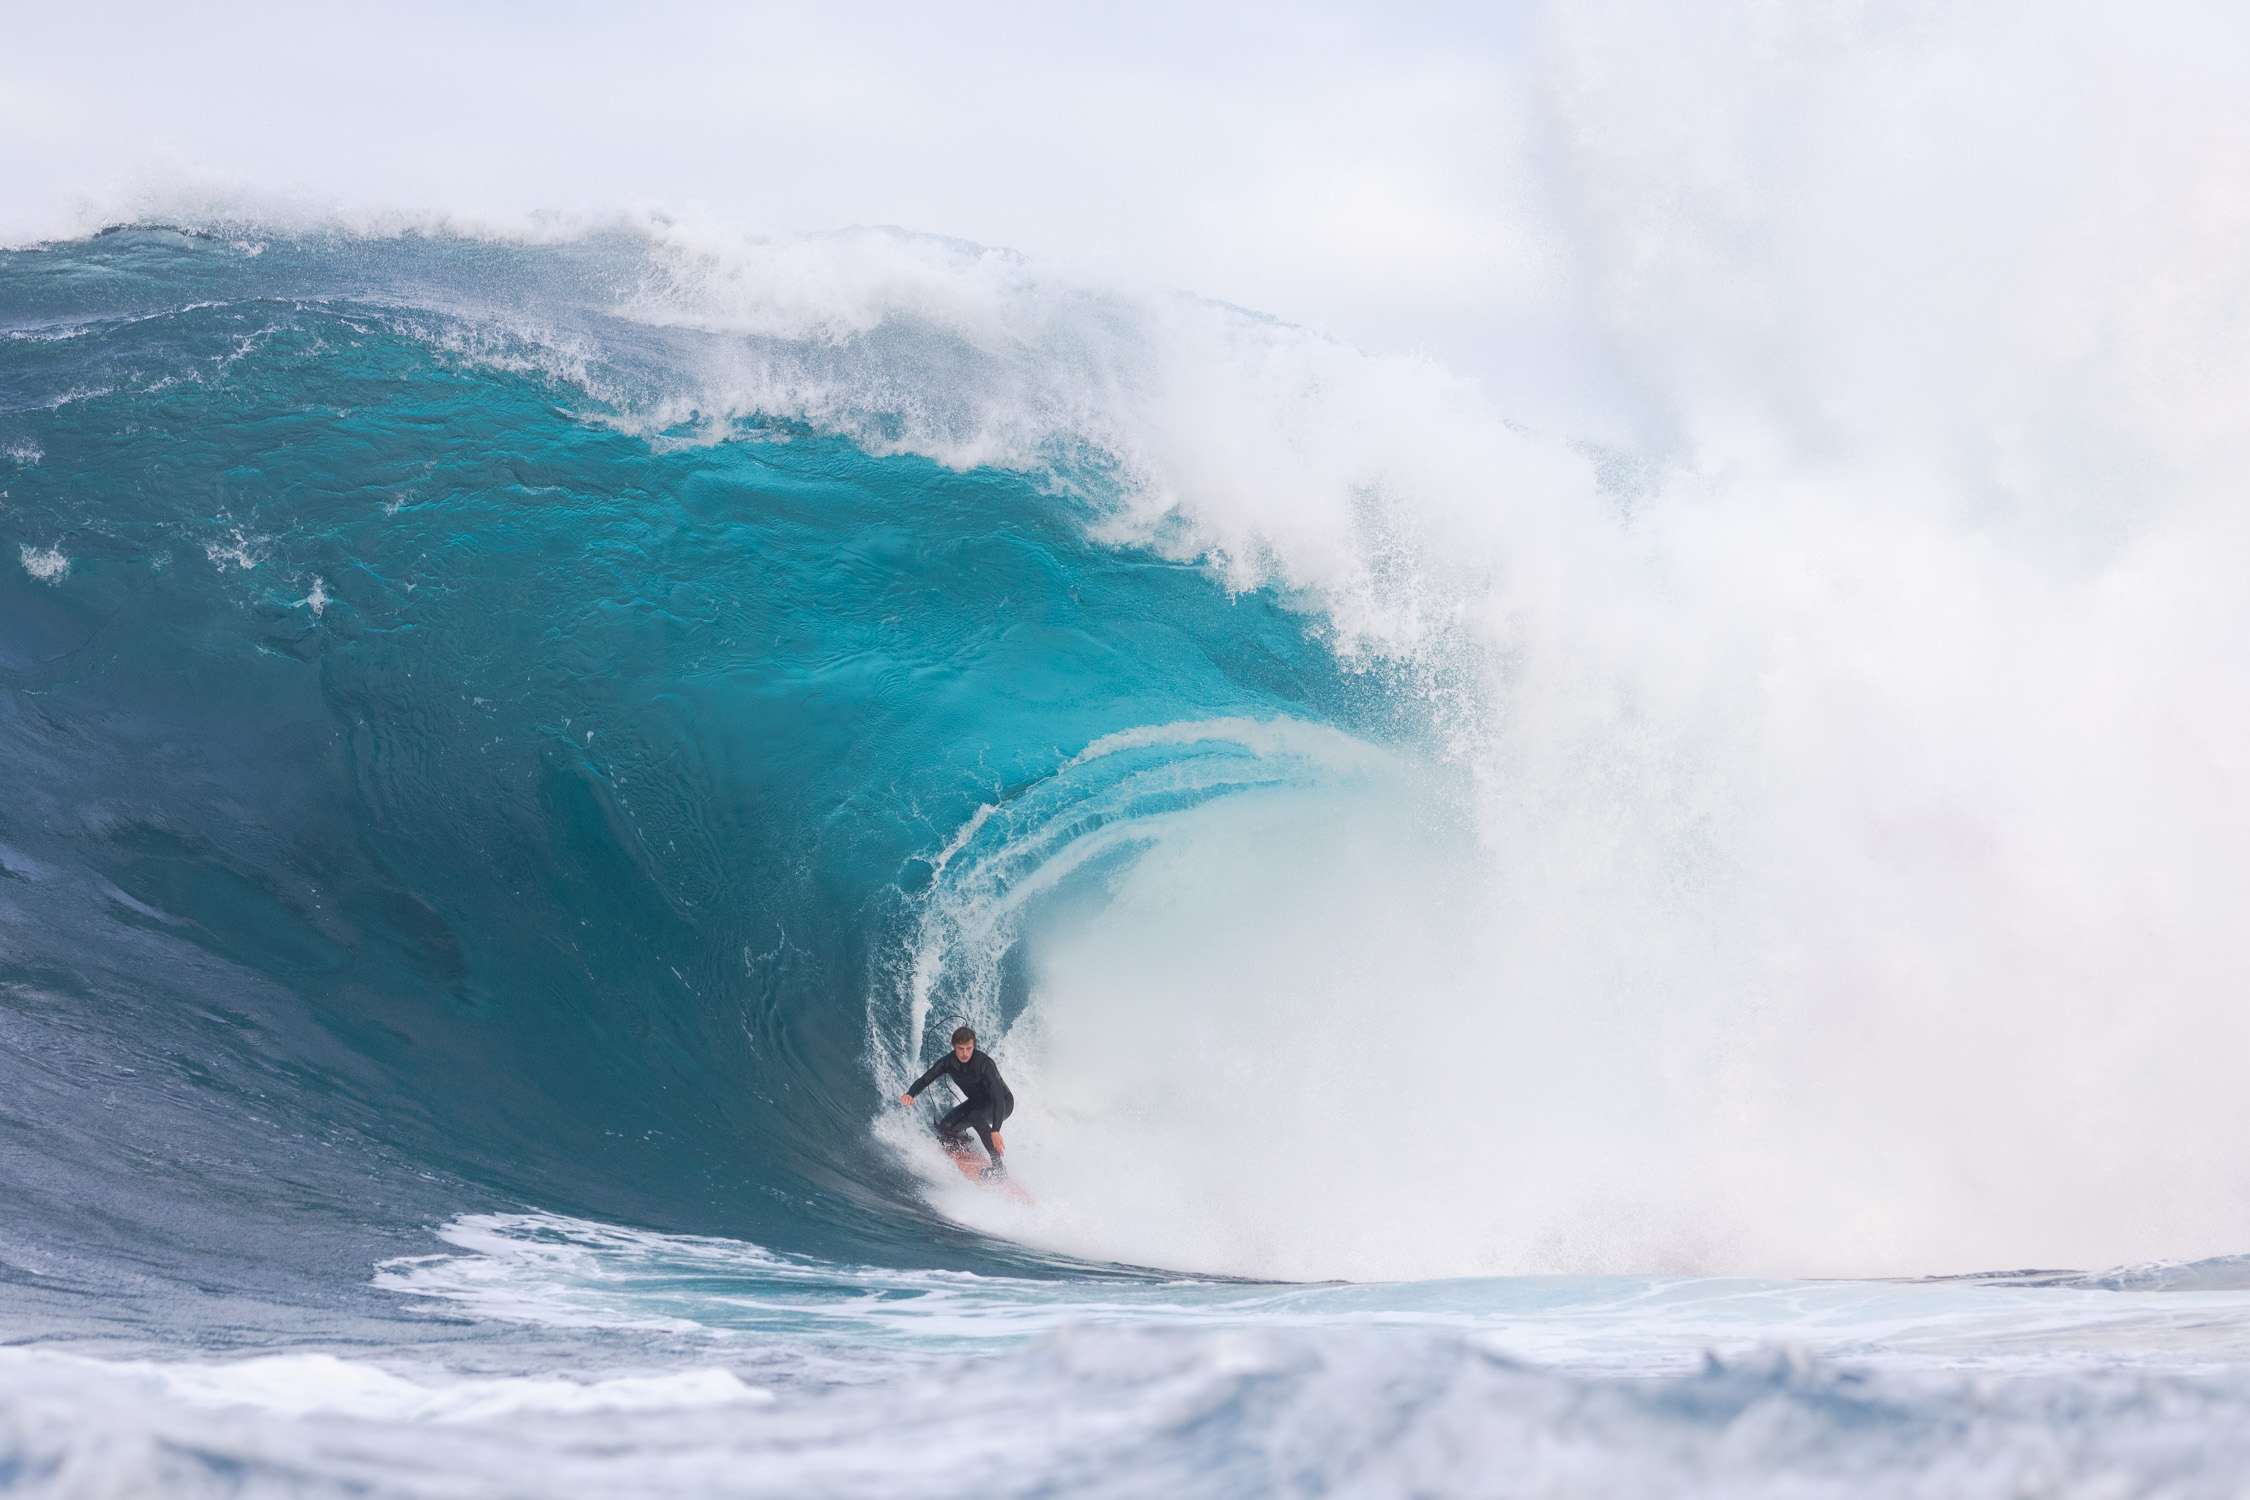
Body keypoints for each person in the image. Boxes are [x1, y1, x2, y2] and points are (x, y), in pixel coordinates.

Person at [899, 1026, 1015, 1178]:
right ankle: (963, 1139)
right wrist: (911, 1093)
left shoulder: (984, 1064)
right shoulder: (948, 1062)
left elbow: (998, 1098)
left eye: (968, 1048)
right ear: (953, 1046)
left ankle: (999, 1169)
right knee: (945, 1128)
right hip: (977, 1102)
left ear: (974, 1046)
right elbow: (926, 1079)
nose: (965, 1053)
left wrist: (995, 1130)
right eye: (961, 1048)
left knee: (975, 1117)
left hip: (1003, 1103)